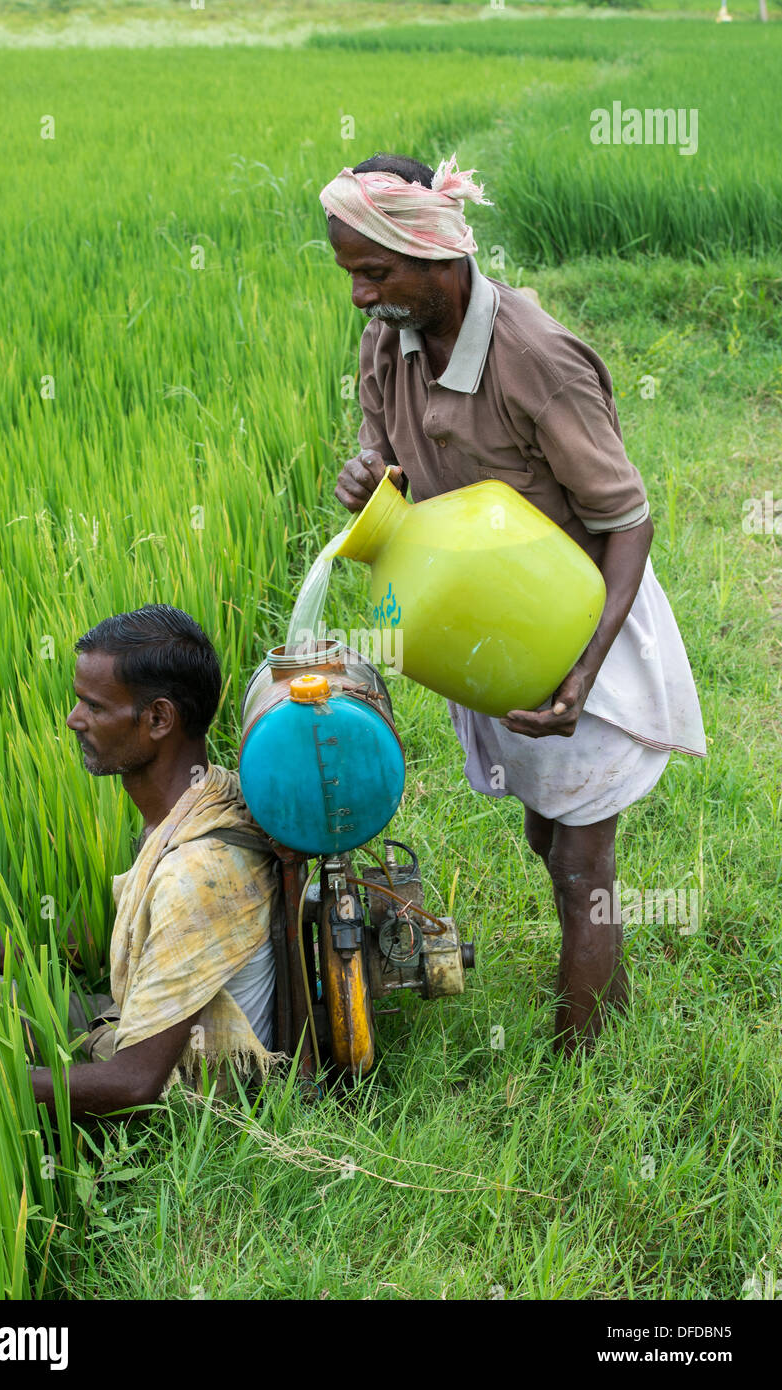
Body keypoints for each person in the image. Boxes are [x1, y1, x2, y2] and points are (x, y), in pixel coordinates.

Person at [319, 152, 706, 1054]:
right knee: (545, 831)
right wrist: (369, 479)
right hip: (490, 621)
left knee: (580, 860)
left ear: (437, 251)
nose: (358, 296)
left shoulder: (535, 359)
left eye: (372, 272)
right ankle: (597, 973)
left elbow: (628, 521)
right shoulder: (390, 339)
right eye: (348, 274)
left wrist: (582, 669)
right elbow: (397, 467)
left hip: (579, 618)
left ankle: (581, 1060)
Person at [29, 604, 281, 1121]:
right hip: (160, 1041)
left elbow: (136, 1084)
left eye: (94, 707)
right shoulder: (205, 796)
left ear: (159, 719)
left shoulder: (195, 872)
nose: (75, 720)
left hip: (193, 1102)